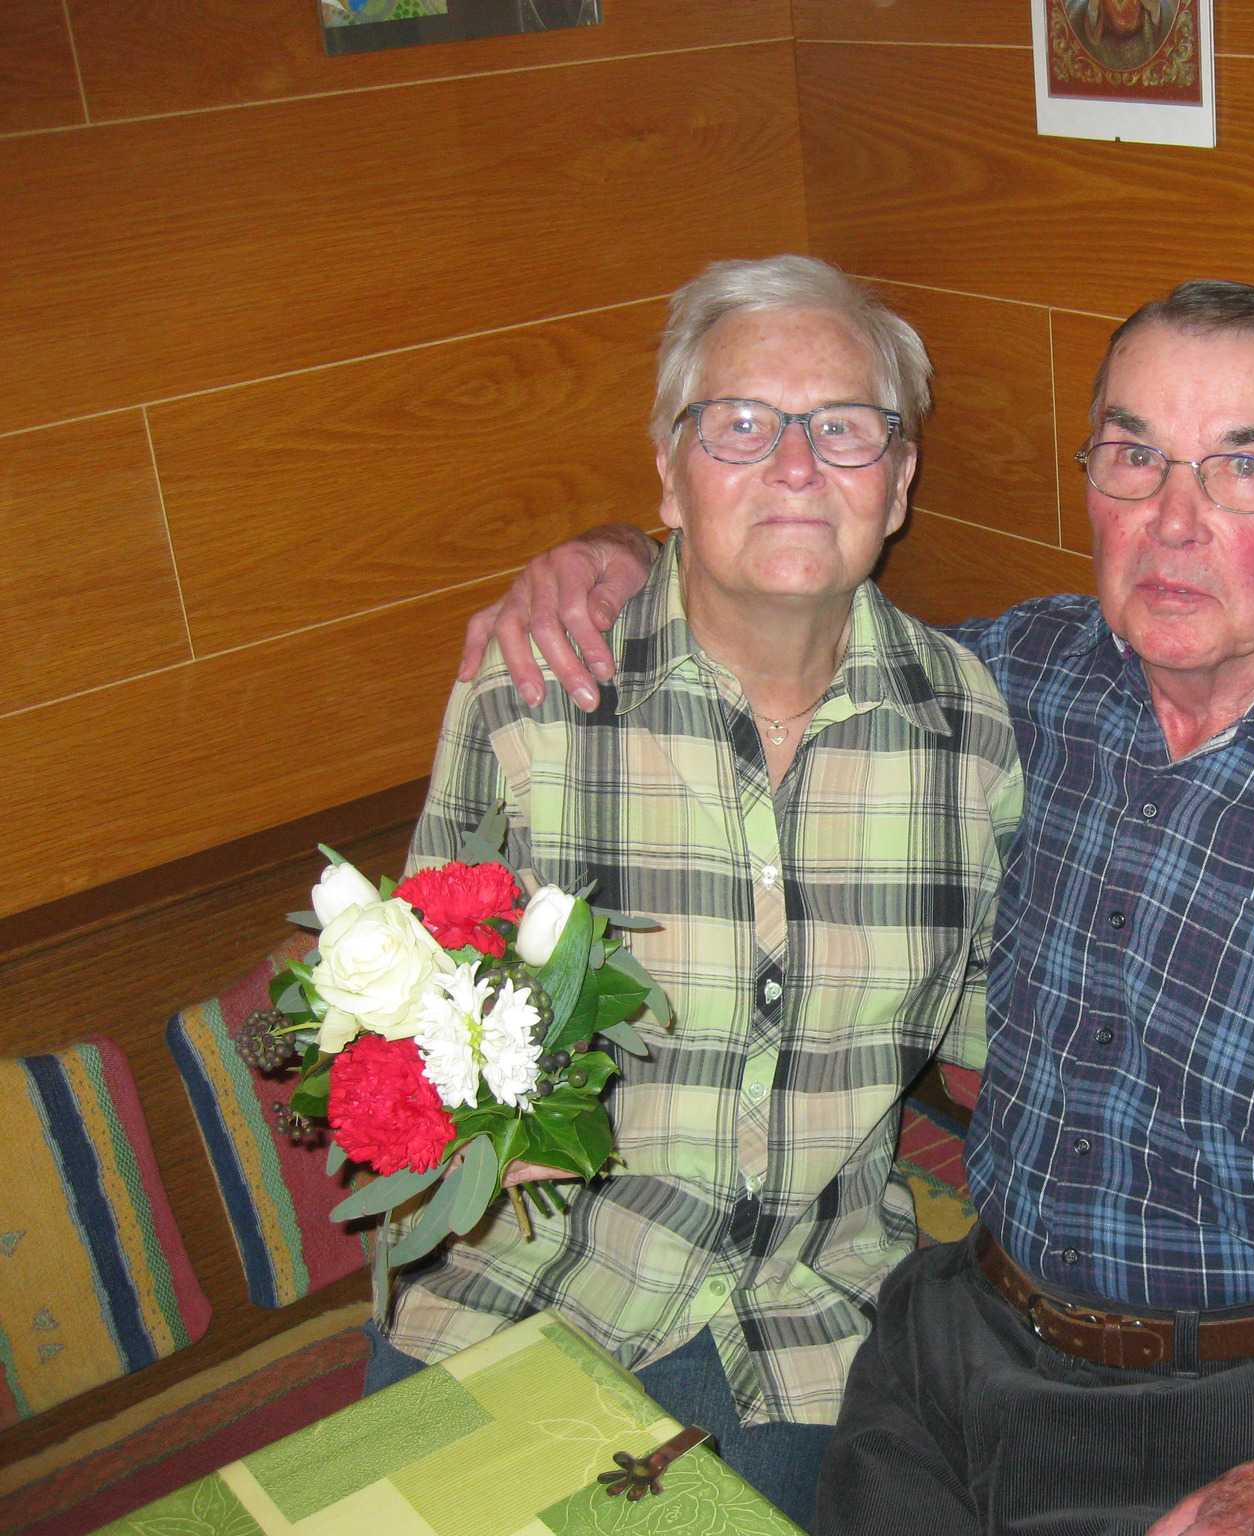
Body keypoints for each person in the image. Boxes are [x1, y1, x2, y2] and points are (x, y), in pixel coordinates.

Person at [464, 279, 1254, 1536]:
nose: (1171, 522)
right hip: (954, 1348)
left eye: (1243, 470)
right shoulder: (1019, 682)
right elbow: (784, 607)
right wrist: (614, 552)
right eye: (1132, 458)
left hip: (1242, 1406)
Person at [369, 255, 1022, 1530]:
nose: (793, 468)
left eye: (842, 429)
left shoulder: (969, 730)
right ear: (667, 475)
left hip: (817, 1335)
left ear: (897, 483)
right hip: (530, 1303)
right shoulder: (530, 699)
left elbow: (1004, 1046)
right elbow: (407, 1032)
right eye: (739, 426)